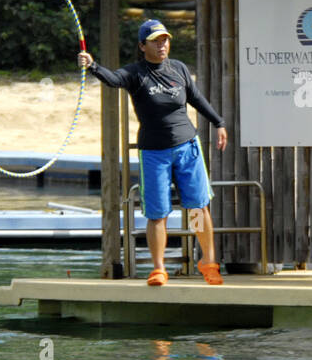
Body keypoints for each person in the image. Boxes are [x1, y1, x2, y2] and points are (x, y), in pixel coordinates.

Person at [78, 19, 228, 286]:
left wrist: (219, 123)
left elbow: (196, 98)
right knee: (157, 212)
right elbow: (113, 80)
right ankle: (159, 269)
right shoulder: (136, 73)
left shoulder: (178, 69)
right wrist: (93, 66)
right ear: (142, 45)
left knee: (197, 207)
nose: (162, 45)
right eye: (156, 41)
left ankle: (208, 261)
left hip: (187, 147)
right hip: (154, 153)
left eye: (165, 40)